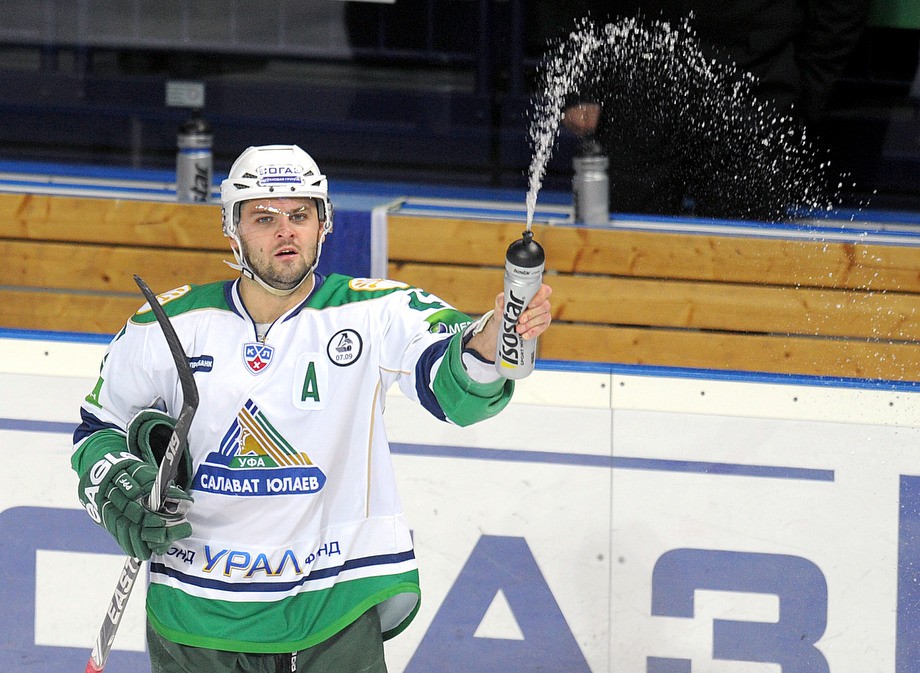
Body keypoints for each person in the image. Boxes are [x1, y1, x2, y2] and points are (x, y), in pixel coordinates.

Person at [71, 144, 553, 673]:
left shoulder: (375, 311)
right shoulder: (167, 323)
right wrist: (115, 484)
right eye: (264, 217)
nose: (285, 231)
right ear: (231, 228)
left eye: (300, 214)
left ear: (323, 224)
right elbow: (100, 431)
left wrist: (492, 336)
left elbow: (452, 380)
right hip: (197, 613)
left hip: (334, 608)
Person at [548, 0, 870, 218]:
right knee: (620, 258)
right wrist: (579, 83)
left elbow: (841, 10)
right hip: (637, 84)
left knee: (744, 271)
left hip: (755, 93)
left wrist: (804, 96)